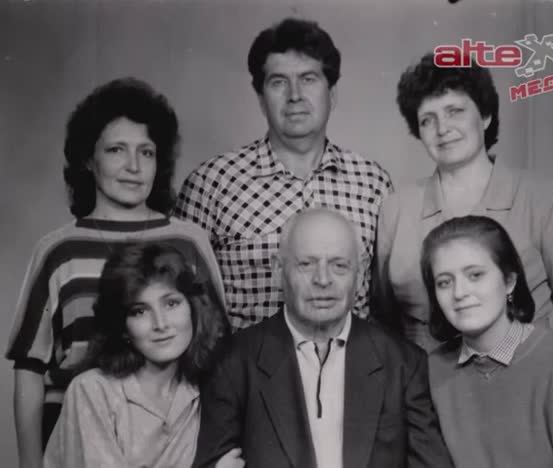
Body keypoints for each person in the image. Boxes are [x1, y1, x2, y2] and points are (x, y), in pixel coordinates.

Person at [5, 77, 227, 468]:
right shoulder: (57, 250)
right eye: (116, 150)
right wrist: (28, 464)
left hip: (171, 437)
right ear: (88, 160)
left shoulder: (188, 241)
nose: (134, 167)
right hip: (76, 435)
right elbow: (30, 368)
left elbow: (216, 345)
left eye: (147, 152)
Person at [372, 52, 553, 393]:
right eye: (427, 119)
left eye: (455, 111)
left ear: (485, 116)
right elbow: (382, 327)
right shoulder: (396, 208)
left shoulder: (543, 198)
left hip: (526, 396)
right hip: (425, 402)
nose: (442, 129)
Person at [191, 208, 453, 468]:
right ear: (278, 269)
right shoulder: (233, 363)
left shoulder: (404, 363)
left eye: (339, 266)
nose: (323, 279)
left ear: (359, 273)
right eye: (306, 264)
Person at [176, 18, 392, 332]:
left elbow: (386, 307)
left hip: (351, 362)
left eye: (308, 79)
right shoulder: (211, 184)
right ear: (261, 99)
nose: (294, 95)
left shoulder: (373, 184)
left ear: (332, 93)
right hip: (244, 362)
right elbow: (179, 300)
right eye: (278, 82)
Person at [420, 215, 553, 468]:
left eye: (475, 275)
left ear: (509, 281)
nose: (459, 293)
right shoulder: (430, 371)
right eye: (444, 282)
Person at [43, 243, 240, 468]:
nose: (160, 324)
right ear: (122, 327)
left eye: (171, 303)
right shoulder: (91, 390)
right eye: (139, 311)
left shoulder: (205, 389)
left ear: (193, 309)